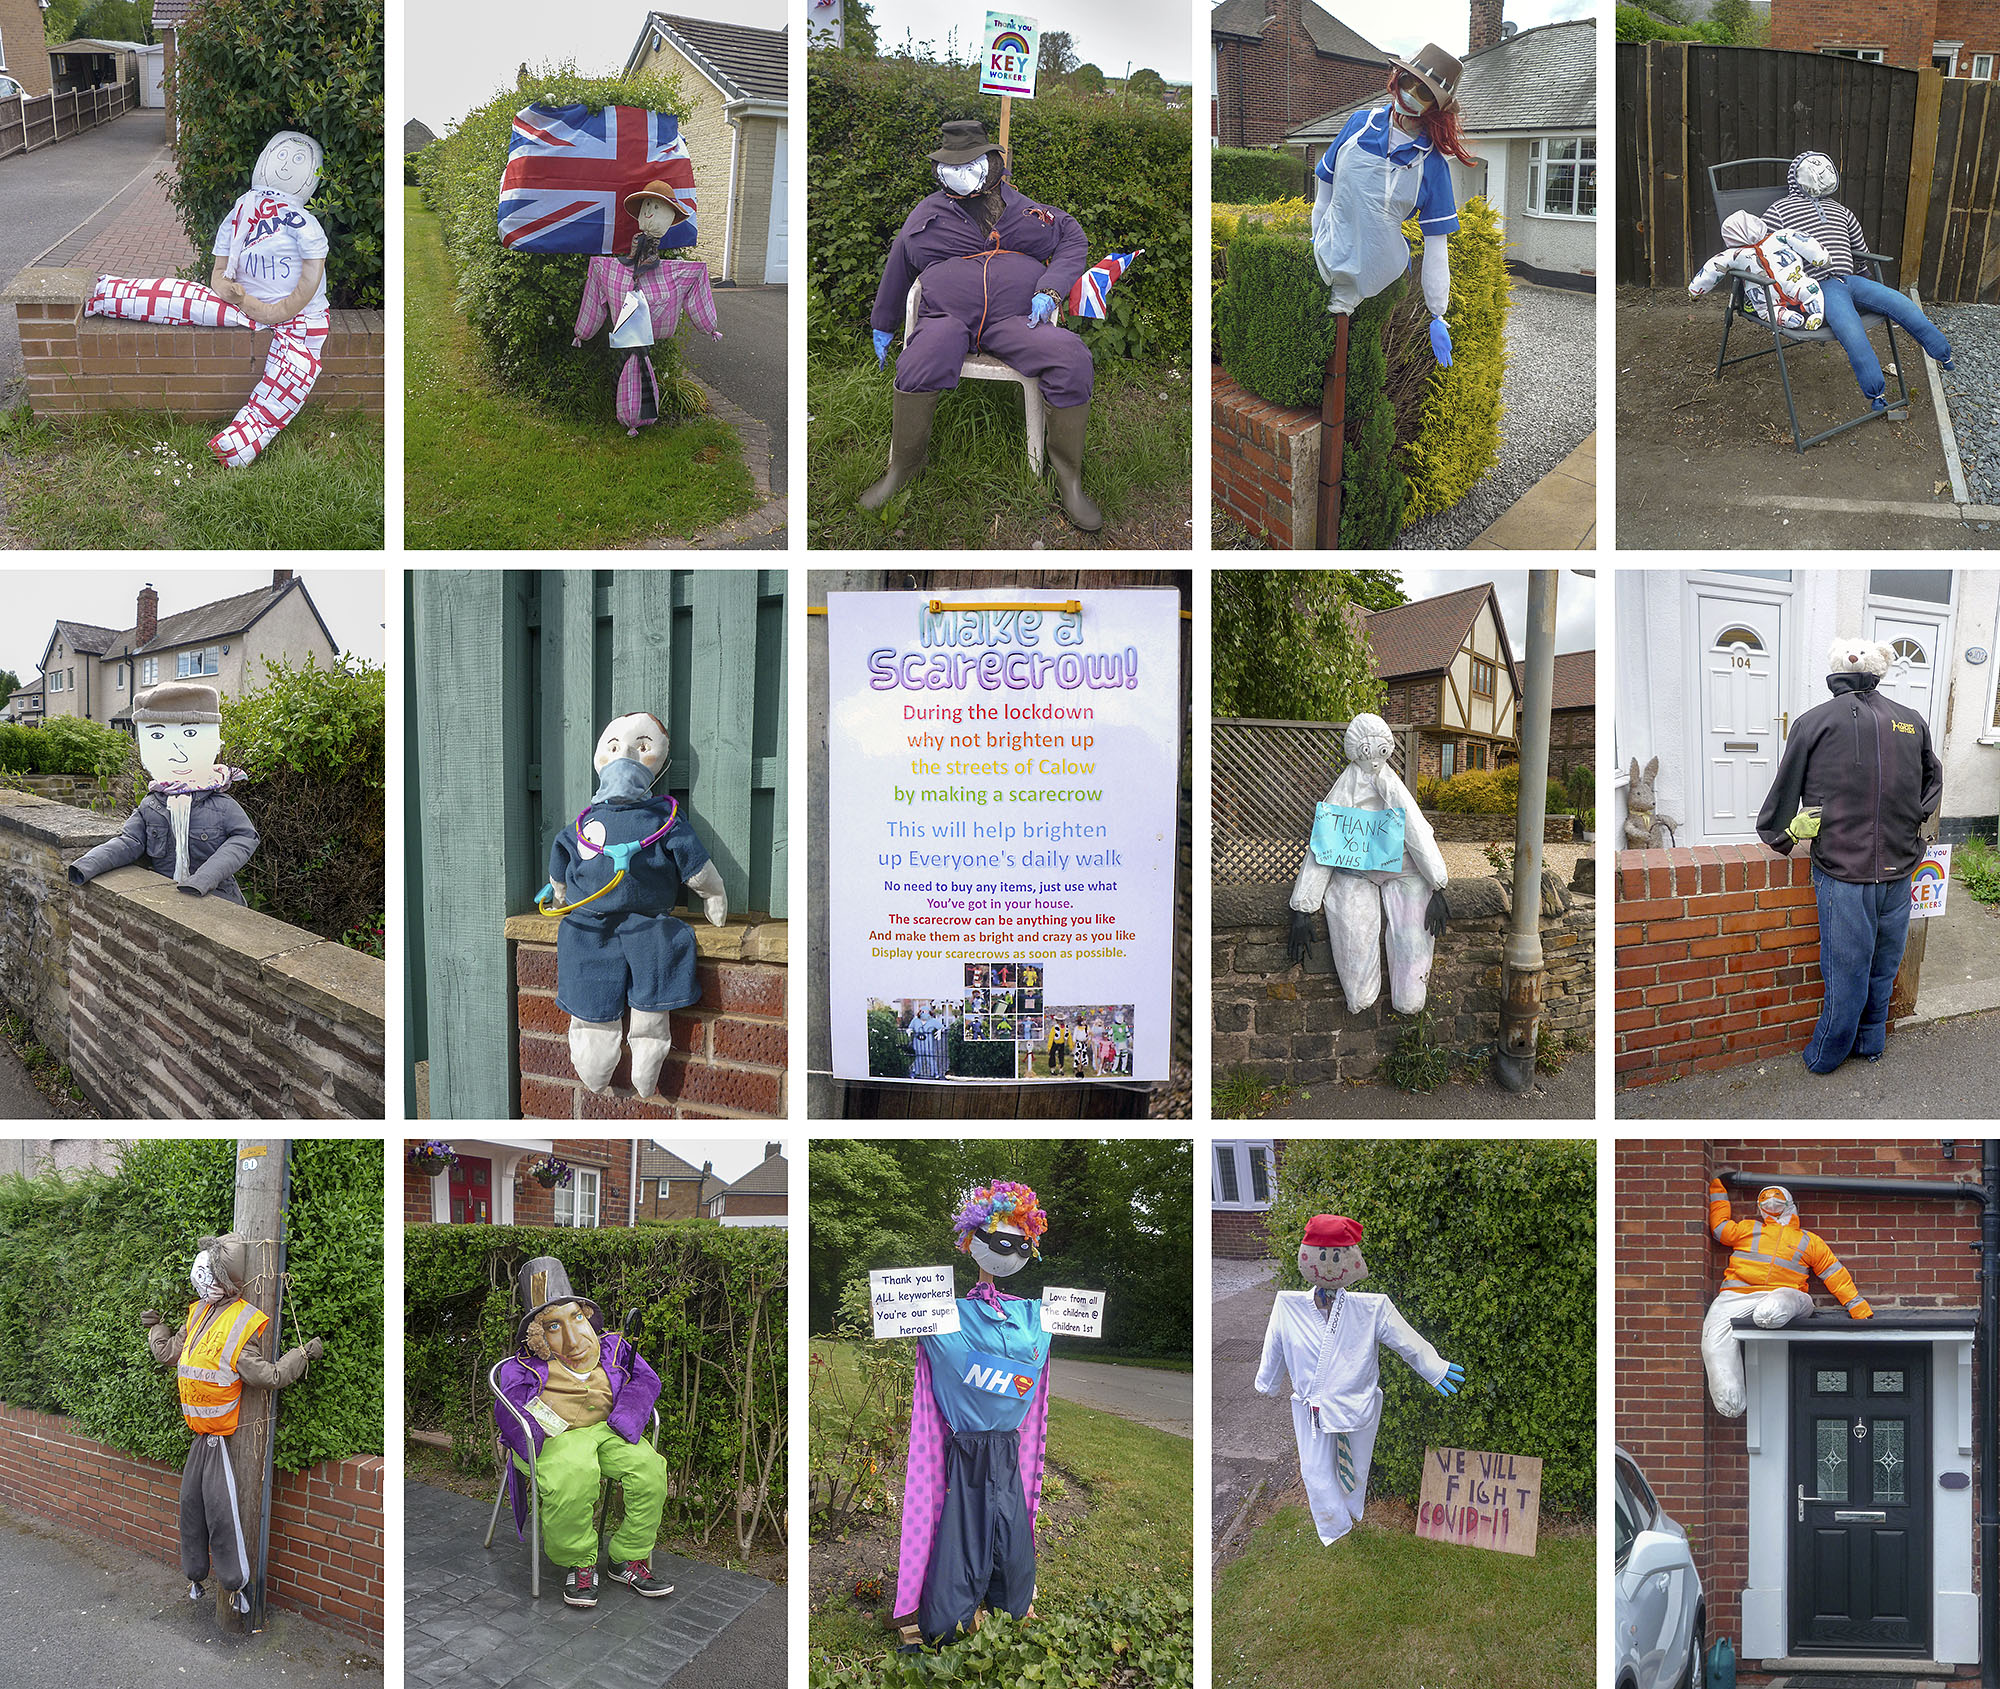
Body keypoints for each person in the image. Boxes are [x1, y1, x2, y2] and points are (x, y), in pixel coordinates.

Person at [863, 120, 1102, 531]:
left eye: (967, 163)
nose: (957, 172)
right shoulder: (928, 212)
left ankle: (1069, 480)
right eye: (949, 165)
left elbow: (1072, 237)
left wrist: (1051, 290)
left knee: (1071, 356)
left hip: (1014, 319)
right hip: (947, 316)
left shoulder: (1028, 212)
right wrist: (884, 322)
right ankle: (902, 468)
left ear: (992, 164)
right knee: (923, 356)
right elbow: (900, 260)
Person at [85, 132, 333, 467]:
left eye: (299, 161)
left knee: (293, 373)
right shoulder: (241, 210)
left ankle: (235, 448)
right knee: (178, 298)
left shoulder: (305, 224)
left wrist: (279, 311)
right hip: (241, 302)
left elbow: (312, 273)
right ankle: (107, 294)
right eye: (281, 156)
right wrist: (227, 288)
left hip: (300, 319)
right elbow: (219, 270)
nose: (287, 166)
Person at [1754, 637, 1942, 1073]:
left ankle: (1826, 1056)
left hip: (1843, 871)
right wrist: (1914, 815)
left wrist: (1780, 836)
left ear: (1837, 669)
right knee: (1883, 963)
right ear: (1878, 670)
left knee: (1847, 970)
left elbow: (1786, 785)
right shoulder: (1910, 720)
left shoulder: (1814, 721)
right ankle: (1869, 1043)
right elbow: (1934, 780)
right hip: (1899, 865)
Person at [893, 1182, 1053, 1645]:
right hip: (966, 1446)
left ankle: (1011, 1602)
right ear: (974, 1239)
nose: (1011, 1250)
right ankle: (950, 1618)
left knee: (1011, 1526)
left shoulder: (1032, 1317)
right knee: (963, 1531)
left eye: (1021, 1242)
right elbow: (905, 1316)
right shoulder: (947, 1313)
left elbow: (1042, 1348)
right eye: (1000, 1240)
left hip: (1007, 1444)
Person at [544, 714, 729, 1096]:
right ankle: (593, 1059)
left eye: (641, 748)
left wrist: (712, 892)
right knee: (587, 981)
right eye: (613, 748)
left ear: (660, 763)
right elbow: (561, 855)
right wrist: (559, 890)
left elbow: (693, 860)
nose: (624, 757)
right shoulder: (583, 822)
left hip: (648, 920)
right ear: (600, 758)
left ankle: (647, 1054)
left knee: (658, 969)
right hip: (590, 923)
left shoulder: (665, 819)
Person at [1256, 1215, 1461, 1545]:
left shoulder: (1372, 1308)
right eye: (1322, 1256)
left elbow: (1405, 1338)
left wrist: (1433, 1367)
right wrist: (1268, 1379)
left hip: (1357, 1401)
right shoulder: (1288, 1306)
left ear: (1350, 1261)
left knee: (1357, 1466)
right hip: (1313, 1410)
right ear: (1307, 1256)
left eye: (1337, 1257)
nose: (1329, 1265)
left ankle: (1351, 1508)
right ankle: (1336, 1525)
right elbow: (1275, 1344)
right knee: (1315, 1473)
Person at [142, 1235, 321, 1612]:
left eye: (204, 1278)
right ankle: (195, 1577)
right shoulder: (198, 1313)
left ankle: (234, 1586)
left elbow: (269, 1376)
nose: (198, 1286)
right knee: (191, 1509)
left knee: (223, 1519)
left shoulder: (242, 1323)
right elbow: (171, 1352)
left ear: (224, 1280)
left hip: (224, 1440)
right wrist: (157, 1327)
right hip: (201, 1437)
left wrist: (302, 1354)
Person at [493, 1256, 674, 1607]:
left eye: (575, 1317)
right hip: (557, 1437)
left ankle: (627, 1558)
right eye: (554, 1326)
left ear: (586, 1315)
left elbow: (647, 1379)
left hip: (609, 1428)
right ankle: (580, 1562)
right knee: (573, 1476)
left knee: (650, 1471)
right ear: (537, 1335)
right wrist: (533, 1432)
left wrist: (627, 1415)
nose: (574, 1339)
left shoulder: (614, 1347)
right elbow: (509, 1406)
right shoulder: (523, 1366)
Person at [1310, 46, 1475, 363]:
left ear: (1435, 106)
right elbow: (1325, 186)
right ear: (1396, 78)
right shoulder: (1358, 125)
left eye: (1423, 91)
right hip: (1327, 251)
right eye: (1407, 81)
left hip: (1380, 274)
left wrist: (1437, 313)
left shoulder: (1433, 164)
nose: (1410, 93)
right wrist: (1316, 236)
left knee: (1355, 361)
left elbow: (1437, 244)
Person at [1761, 150, 1956, 411]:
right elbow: (1763, 250)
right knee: (1851, 329)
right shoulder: (1779, 211)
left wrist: (1864, 275)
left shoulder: (1841, 211)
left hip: (1851, 279)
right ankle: (1876, 392)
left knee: (1900, 303)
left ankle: (1943, 353)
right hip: (1818, 288)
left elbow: (1858, 248)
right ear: (1797, 175)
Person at [1286, 714, 1450, 1015]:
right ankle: (1361, 994)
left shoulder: (1392, 787)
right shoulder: (1345, 789)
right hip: (1355, 871)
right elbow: (1326, 843)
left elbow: (1415, 831)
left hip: (1403, 869)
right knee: (1353, 938)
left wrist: (1437, 883)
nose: (1374, 761)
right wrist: (1304, 906)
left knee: (1413, 938)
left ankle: (1410, 997)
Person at [69, 682, 257, 902]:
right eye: (157, 737)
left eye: (190, 733)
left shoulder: (222, 805)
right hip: (167, 900)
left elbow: (245, 837)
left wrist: (205, 878)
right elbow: (130, 841)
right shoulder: (152, 805)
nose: (177, 754)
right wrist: (87, 864)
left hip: (218, 903)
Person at [1701, 1178, 1871, 1417]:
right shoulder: (1748, 1229)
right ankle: (1730, 1402)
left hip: (1789, 1296)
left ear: (1790, 1204)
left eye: (1777, 1198)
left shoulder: (1807, 1240)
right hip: (1737, 1294)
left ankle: (1769, 1315)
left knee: (1772, 1309)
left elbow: (1833, 1273)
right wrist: (1718, 1190)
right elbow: (1719, 1227)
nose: (1771, 1202)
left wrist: (1857, 1306)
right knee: (1714, 1340)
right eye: (1765, 1199)